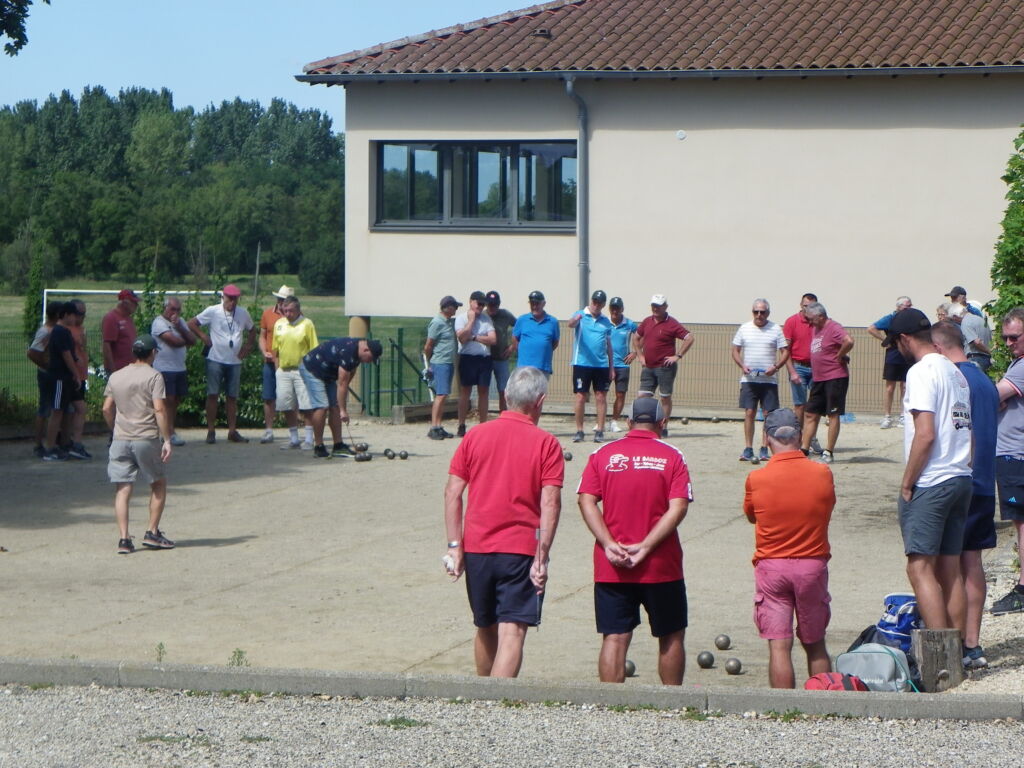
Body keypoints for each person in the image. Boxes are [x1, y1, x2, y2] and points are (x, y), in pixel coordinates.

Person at [443, 366, 563, 678]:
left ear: (506, 396)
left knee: (485, 625)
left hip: (478, 548)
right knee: (513, 631)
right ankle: (494, 702)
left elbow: (453, 492)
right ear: (540, 401)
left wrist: (455, 546)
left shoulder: (475, 435)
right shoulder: (547, 443)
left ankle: (483, 694)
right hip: (520, 550)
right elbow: (550, 502)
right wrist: (542, 555)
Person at [577, 397, 693, 685]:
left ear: (629, 422)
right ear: (662, 423)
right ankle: (672, 702)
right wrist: (647, 546)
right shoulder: (673, 456)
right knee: (671, 634)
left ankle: (611, 704)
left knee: (615, 637)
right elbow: (678, 506)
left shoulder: (603, 454)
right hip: (661, 565)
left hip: (613, 564)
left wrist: (608, 543)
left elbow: (586, 500)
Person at [888, 307, 972, 633]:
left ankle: (938, 651)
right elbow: (967, 429)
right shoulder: (955, 371)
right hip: (960, 475)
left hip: (933, 479)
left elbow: (925, 434)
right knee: (950, 569)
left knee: (919, 568)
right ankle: (959, 648)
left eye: (896, 343)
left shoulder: (921, 372)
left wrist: (907, 483)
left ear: (904, 339)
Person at [743, 408, 835, 688]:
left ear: (766, 438)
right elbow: (828, 508)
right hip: (811, 565)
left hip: (772, 566)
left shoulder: (756, 478)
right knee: (815, 643)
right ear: (800, 435)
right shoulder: (822, 473)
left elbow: (751, 516)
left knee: (779, 645)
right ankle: (823, 700)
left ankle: (783, 706)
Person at [931, 320, 998, 668]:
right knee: (973, 562)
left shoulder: (954, 379)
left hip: (960, 480)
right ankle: (972, 643)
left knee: (948, 565)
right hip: (984, 480)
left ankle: (952, 643)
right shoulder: (984, 380)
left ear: (938, 348)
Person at [102, 333, 175, 554]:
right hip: (145, 437)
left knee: (123, 488)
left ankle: (124, 539)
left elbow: (106, 408)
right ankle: (152, 532)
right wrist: (167, 439)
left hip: (121, 438)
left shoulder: (116, 376)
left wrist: (114, 428)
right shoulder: (154, 376)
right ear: (153, 353)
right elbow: (159, 409)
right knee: (158, 484)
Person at [187, 284, 257, 444]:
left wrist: (248, 346)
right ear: (223, 297)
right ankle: (211, 430)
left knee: (232, 396)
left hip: (235, 361)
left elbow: (253, 330)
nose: (232, 302)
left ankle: (232, 431)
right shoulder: (213, 311)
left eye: (235, 299)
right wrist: (203, 336)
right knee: (213, 394)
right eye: (230, 299)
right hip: (215, 359)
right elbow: (191, 323)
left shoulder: (243, 313)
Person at [991, 307, 1024, 616]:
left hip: (1015, 458)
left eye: (1015, 337)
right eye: (1005, 338)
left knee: (1021, 522)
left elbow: (990, 397)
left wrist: (996, 397)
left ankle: (1023, 590)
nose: (1009, 343)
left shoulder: (1021, 367)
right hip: (1014, 457)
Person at [301, 337, 383, 458]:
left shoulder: (357, 353)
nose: (369, 361)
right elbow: (342, 384)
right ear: (366, 350)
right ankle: (319, 447)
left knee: (335, 406)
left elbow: (350, 374)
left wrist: (340, 403)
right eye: (371, 358)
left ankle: (338, 446)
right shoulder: (349, 351)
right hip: (313, 368)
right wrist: (343, 411)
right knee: (322, 406)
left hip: (328, 373)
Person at [731, 298, 789, 463]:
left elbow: (785, 352)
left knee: (768, 414)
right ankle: (748, 447)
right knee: (749, 412)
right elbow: (735, 350)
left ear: (768, 313)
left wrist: (776, 367)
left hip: (769, 381)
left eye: (762, 312)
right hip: (749, 380)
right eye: (756, 312)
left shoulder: (776, 329)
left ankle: (764, 447)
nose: (759, 315)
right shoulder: (744, 328)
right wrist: (742, 365)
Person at [799, 302, 854, 464]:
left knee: (833, 414)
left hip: (834, 377)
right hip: (819, 378)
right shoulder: (816, 328)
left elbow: (849, 341)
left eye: (811, 319)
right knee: (811, 413)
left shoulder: (833, 327)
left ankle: (828, 452)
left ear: (821, 316)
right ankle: (804, 449)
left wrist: (840, 355)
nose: (809, 323)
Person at [635, 294, 694, 436]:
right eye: (653, 305)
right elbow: (636, 338)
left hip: (665, 368)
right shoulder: (647, 321)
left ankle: (663, 426)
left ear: (665, 307)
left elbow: (689, 338)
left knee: (665, 397)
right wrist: (640, 355)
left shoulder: (671, 323)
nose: (655, 308)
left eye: (659, 306)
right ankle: (645, 425)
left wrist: (677, 356)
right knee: (643, 396)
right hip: (648, 367)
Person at [41, 302, 88, 461]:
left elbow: (71, 354)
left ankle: (74, 444)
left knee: (80, 408)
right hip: (60, 377)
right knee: (57, 411)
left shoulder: (65, 332)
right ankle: (50, 448)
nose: (76, 319)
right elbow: (66, 355)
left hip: (67, 378)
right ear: (66, 315)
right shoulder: (60, 331)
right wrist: (76, 373)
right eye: (74, 315)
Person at [272, 296, 319, 451]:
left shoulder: (307, 324)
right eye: (285, 310)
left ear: (298, 310)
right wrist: (277, 368)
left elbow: (314, 349)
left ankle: (309, 438)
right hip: (284, 369)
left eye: (291, 310)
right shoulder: (279, 324)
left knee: (306, 405)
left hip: (302, 370)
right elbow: (275, 348)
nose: (288, 314)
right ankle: (293, 438)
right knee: (286, 404)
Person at [567, 289, 614, 443]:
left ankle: (599, 430)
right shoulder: (581, 314)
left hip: (601, 365)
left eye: (600, 303)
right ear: (591, 301)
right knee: (580, 396)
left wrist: (611, 367)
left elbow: (609, 346)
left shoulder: (606, 321)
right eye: (594, 301)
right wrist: (576, 319)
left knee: (601, 396)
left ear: (603, 305)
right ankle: (579, 430)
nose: (596, 305)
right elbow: (570, 324)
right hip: (582, 363)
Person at [151, 296, 196, 446]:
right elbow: (174, 342)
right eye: (172, 309)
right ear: (165, 308)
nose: (175, 312)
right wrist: (186, 339)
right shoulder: (159, 323)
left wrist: (180, 328)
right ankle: (168, 433)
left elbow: (193, 341)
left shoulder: (180, 322)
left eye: (178, 309)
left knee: (176, 401)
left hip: (179, 367)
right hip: (164, 368)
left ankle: (168, 429)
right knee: (167, 401)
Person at [867, 296, 914, 429]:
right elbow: (871, 328)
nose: (909, 308)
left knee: (905, 386)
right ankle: (887, 416)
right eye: (907, 306)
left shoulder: (911, 318)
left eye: (910, 306)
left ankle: (903, 415)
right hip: (893, 355)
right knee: (890, 387)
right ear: (899, 307)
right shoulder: (890, 318)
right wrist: (884, 340)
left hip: (907, 355)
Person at [454, 291, 496, 437]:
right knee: (465, 391)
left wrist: (474, 337)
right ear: (471, 302)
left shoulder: (486, 319)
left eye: (483, 304)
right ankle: (461, 424)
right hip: (468, 358)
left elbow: (493, 339)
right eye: (478, 303)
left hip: (484, 358)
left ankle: (483, 425)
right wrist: (471, 321)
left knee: (483, 391)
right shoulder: (461, 318)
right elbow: (462, 338)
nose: (480, 306)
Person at [26, 302, 65, 457]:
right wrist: (46, 366)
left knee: (54, 408)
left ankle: (53, 440)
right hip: (47, 375)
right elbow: (32, 352)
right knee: (45, 408)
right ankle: (38, 444)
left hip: (52, 373)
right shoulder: (45, 332)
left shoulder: (54, 330)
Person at [258, 285, 294, 443]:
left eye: (283, 300)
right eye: (279, 299)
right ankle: (269, 430)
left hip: (287, 363)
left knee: (290, 397)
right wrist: (263, 350)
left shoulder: (295, 317)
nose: (280, 302)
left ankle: (293, 431)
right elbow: (262, 336)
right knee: (268, 397)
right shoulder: (267, 314)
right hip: (270, 361)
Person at [424, 295, 461, 440]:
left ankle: (439, 426)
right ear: (448, 307)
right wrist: (430, 362)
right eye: (455, 307)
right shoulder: (437, 323)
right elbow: (428, 346)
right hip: (440, 362)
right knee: (440, 395)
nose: (456, 310)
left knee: (444, 395)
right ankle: (434, 427)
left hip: (448, 362)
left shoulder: (449, 322)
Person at [783, 293, 817, 438]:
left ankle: (811, 437)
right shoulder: (791, 322)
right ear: (801, 305)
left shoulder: (819, 321)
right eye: (805, 306)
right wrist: (792, 372)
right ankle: (798, 437)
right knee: (799, 405)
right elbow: (785, 350)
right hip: (798, 367)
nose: (808, 309)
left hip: (817, 368)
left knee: (815, 406)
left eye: (812, 306)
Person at [512, 290, 560, 376]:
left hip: (543, 368)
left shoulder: (553, 322)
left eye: (537, 303)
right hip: (524, 368)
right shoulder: (522, 320)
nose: (534, 306)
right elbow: (515, 338)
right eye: (532, 303)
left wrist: (543, 349)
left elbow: (555, 343)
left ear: (543, 304)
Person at [608, 296, 638, 433]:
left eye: (617, 308)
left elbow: (641, 337)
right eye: (612, 308)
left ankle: (614, 421)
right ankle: (599, 422)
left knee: (620, 394)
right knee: (600, 393)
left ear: (622, 309)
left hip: (622, 364)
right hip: (605, 364)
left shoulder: (629, 324)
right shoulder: (604, 323)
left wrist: (635, 352)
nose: (615, 311)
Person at [485, 291, 517, 412]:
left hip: (501, 358)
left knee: (504, 390)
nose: (493, 307)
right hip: (485, 358)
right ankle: (484, 417)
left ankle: (503, 415)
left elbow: (519, 327)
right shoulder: (482, 316)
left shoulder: (505, 315)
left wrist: (513, 346)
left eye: (495, 305)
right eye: (490, 305)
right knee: (483, 389)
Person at [102, 289, 139, 376]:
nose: (136, 305)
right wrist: (113, 371)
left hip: (130, 368)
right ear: (125, 302)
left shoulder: (128, 318)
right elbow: (107, 346)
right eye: (134, 302)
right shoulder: (111, 318)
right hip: (119, 369)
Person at [947, 303, 992, 372]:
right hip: (987, 358)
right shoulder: (979, 318)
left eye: (953, 319)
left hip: (976, 358)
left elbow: (976, 342)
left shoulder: (965, 323)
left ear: (955, 316)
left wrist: (990, 352)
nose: (955, 322)